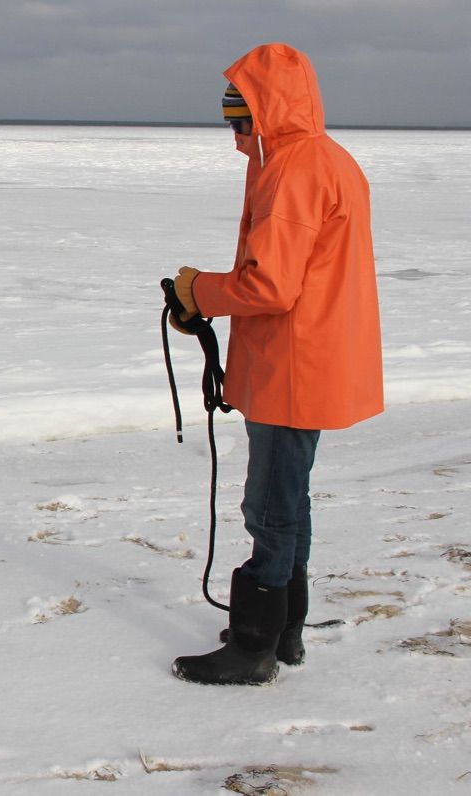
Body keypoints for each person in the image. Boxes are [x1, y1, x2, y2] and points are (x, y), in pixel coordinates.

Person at [169, 43, 383, 685]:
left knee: (270, 507)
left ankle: (255, 647)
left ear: (263, 113)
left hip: (295, 362)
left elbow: (270, 287)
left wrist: (197, 291)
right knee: (290, 500)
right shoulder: (326, 160)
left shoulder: (294, 170)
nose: (235, 136)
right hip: (307, 355)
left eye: (240, 121)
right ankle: (283, 633)